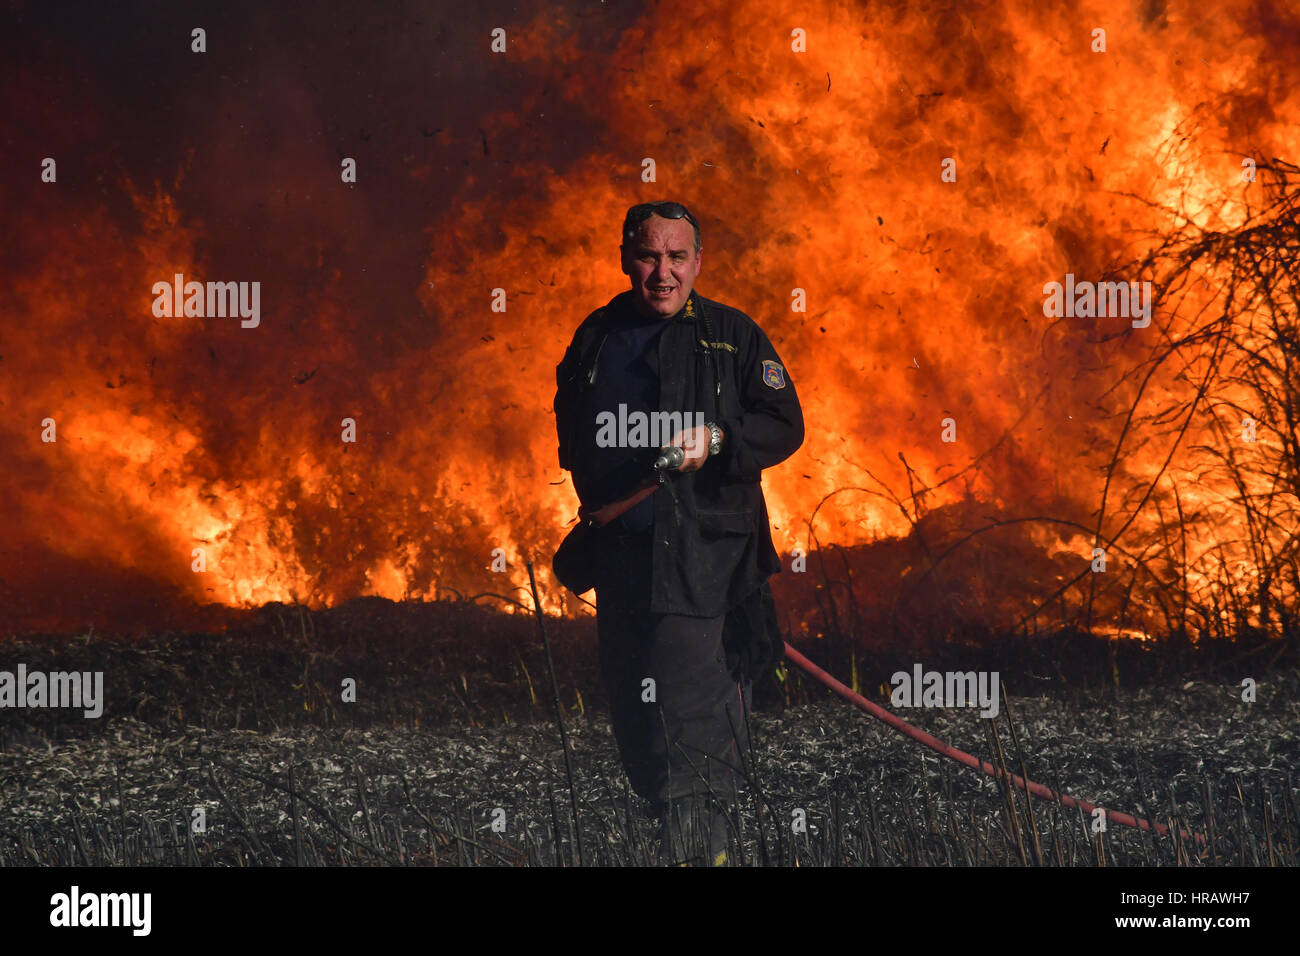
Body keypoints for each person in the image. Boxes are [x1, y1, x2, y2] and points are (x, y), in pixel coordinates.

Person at [552, 200, 803, 865]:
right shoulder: (597, 335)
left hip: (704, 571)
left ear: (698, 262)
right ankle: (677, 846)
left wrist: (719, 438)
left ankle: (701, 856)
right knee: (639, 732)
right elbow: (571, 419)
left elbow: (785, 423)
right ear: (626, 259)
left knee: (694, 739)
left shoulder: (731, 335)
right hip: (624, 569)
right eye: (648, 256)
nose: (662, 273)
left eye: (676, 257)